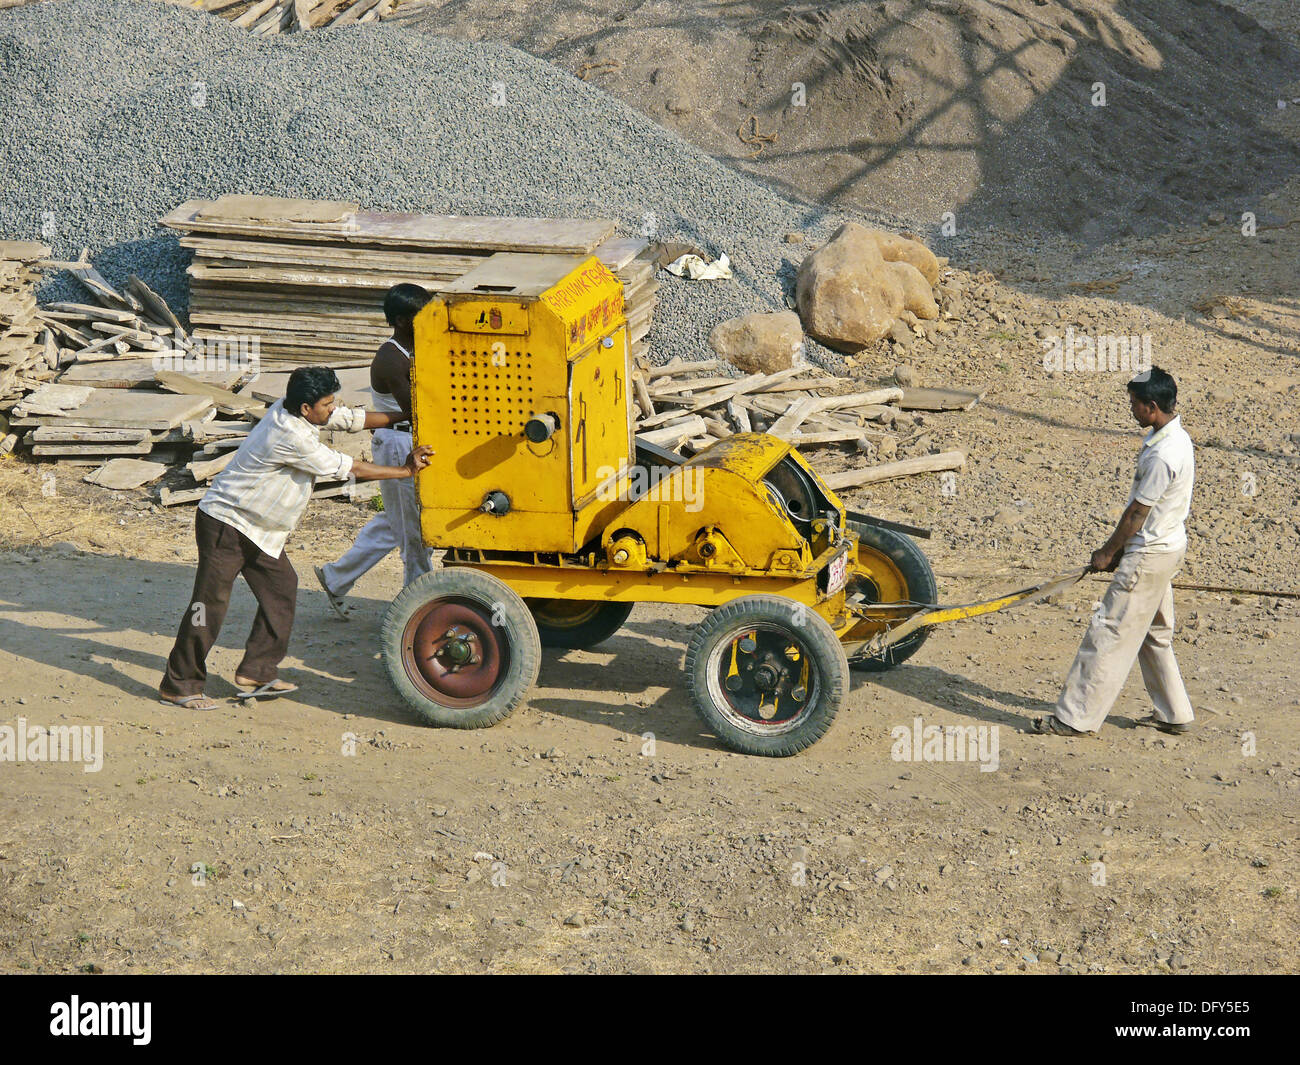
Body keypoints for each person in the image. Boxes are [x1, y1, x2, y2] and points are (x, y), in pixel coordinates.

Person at [158, 366, 433, 711]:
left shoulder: (294, 410)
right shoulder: (290, 436)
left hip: (259, 529)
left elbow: (350, 419)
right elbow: (348, 467)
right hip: (227, 524)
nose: (333, 409)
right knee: (208, 605)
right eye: (327, 404)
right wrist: (405, 471)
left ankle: (256, 672)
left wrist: (406, 415)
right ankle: (179, 684)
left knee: (282, 589)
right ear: (307, 408)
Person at [1037, 366, 1196, 737]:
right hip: (1167, 547)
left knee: (1107, 631)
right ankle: (1175, 714)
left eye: (1135, 404)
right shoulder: (1175, 438)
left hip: (1149, 554)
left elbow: (1137, 513)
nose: (1131, 409)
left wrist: (1109, 553)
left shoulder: (1162, 455)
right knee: (1154, 634)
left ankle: (1074, 719)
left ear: (1152, 406)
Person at [314, 284, 433, 619]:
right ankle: (418, 611)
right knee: (415, 532)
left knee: (395, 522)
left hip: (410, 441)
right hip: (398, 444)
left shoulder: (417, 346)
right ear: (401, 320)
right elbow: (417, 409)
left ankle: (336, 577)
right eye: (421, 316)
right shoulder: (392, 358)